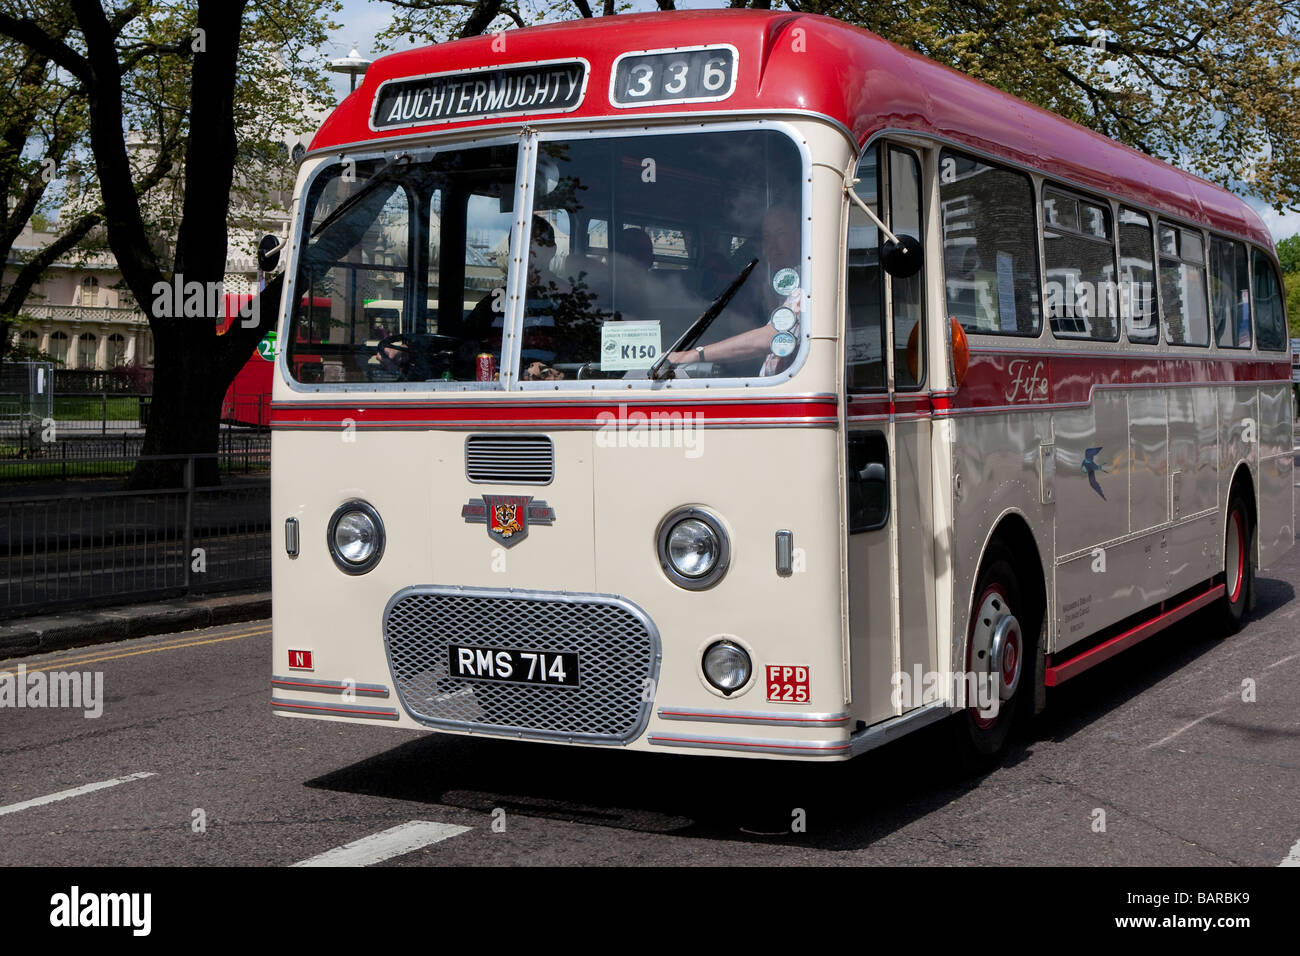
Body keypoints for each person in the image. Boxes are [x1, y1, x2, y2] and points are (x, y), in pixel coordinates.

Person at [665, 204, 801, 373]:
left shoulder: (805, 283)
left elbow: (773, 335)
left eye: (781, 234)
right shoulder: (774, 284)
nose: (772, 244)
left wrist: (693, 355)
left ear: (799, 237)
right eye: (767, 237)